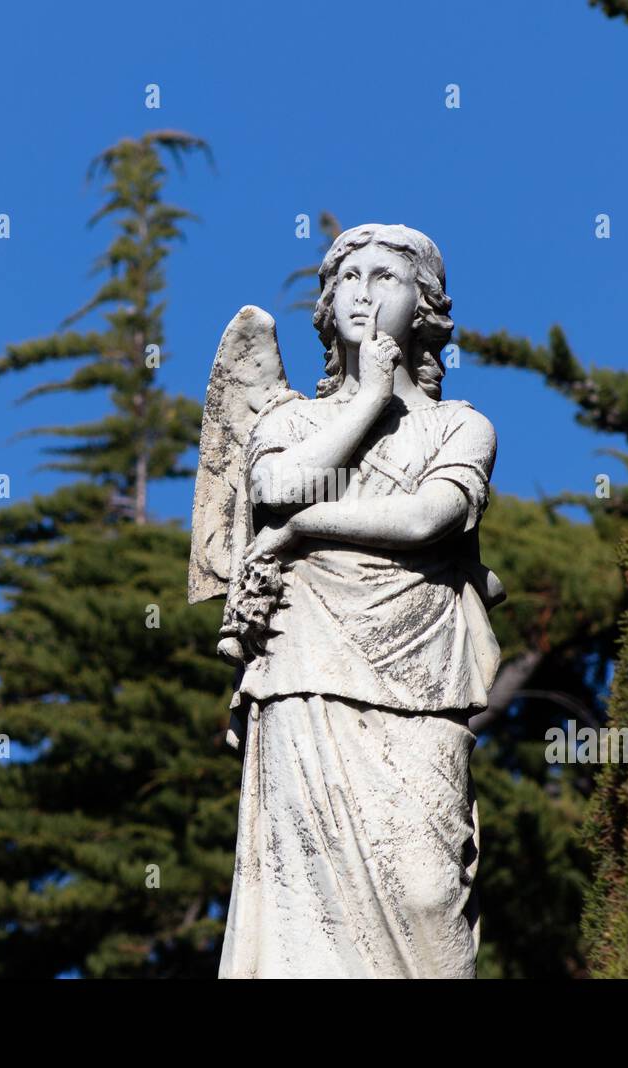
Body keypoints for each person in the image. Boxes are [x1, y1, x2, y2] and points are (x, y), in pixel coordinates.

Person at [219, 223, 502, 979]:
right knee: (301, 910)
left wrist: (306, 526)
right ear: (326, 304)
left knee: (425, 892)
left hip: (421, 676)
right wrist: (370, 395)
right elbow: (276, 486)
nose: (364, 292)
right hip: (305, 667)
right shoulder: (291, 422)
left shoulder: (460, 426)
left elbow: (425, 519)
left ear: (425, 307)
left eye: (386, 277)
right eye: (349, 278)